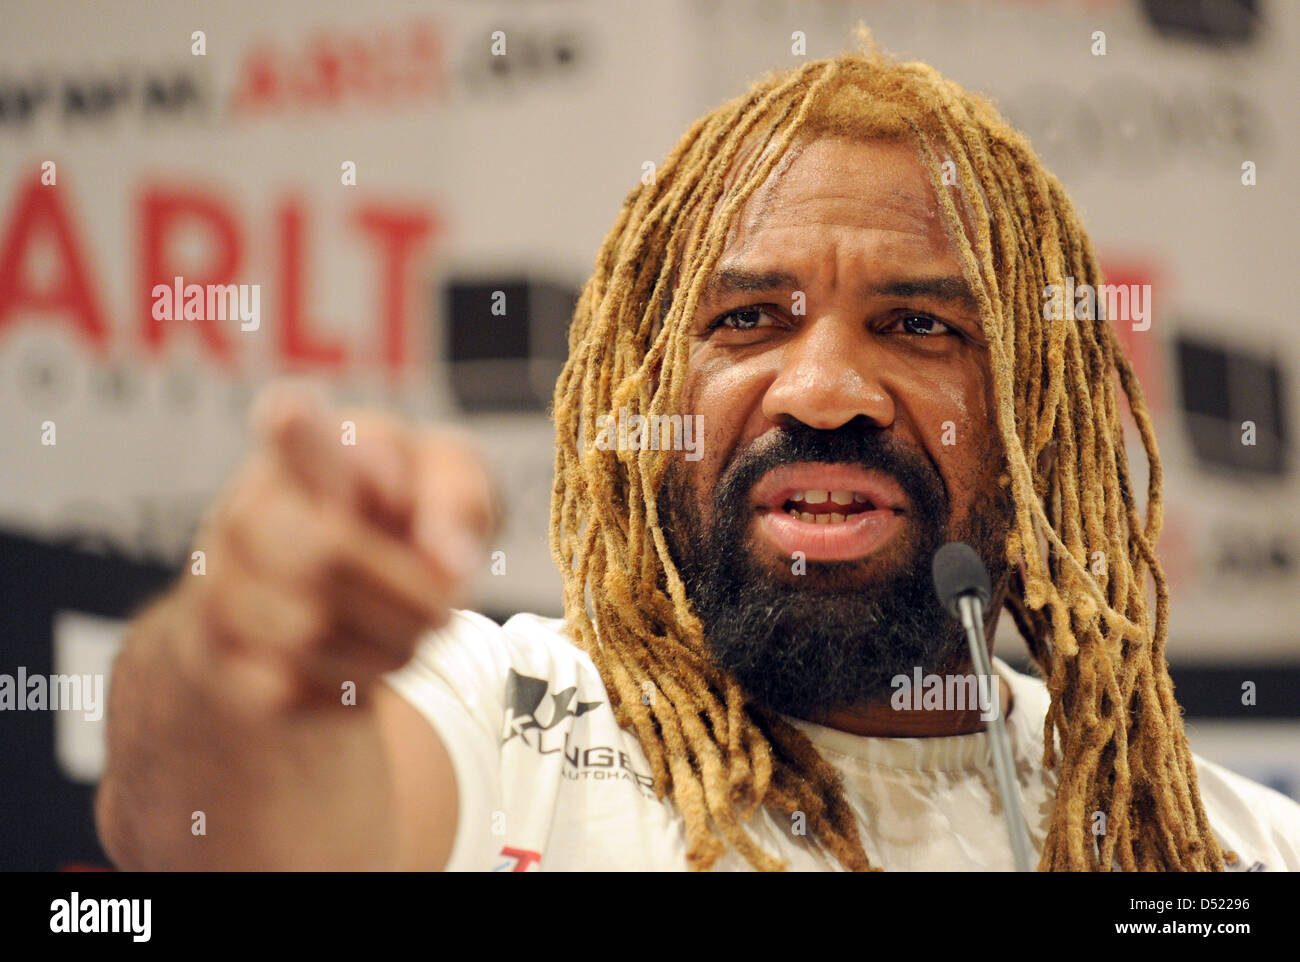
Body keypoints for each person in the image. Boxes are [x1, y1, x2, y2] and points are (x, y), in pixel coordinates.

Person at [96, 40, 1300, 872]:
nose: (823, 390)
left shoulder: (1212, 846)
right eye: (749, 319)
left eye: (919, 326)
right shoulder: (506, 722)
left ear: (1035, 416)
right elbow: (204, 824)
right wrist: (235, 661)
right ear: (649, 389)